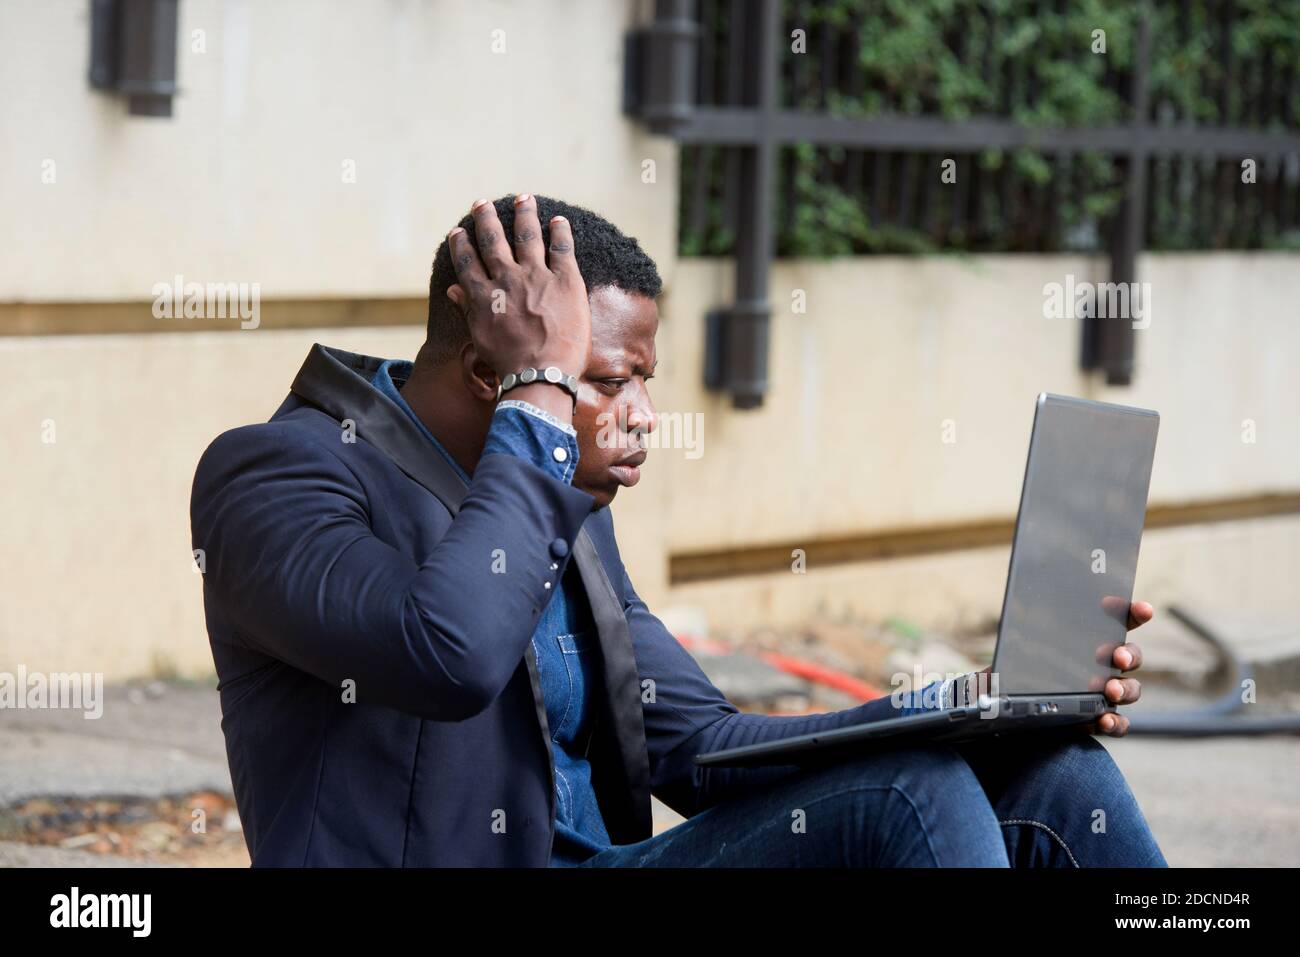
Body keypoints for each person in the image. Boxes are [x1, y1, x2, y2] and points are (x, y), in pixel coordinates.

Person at [190, 193, 1165, 867]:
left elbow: (699, 750)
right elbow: (445, 653)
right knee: (910, 798)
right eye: (608, 380)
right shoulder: (279, 474)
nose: (644, 415)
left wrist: (969, 706)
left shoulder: (556, 492)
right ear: (496, 371)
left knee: (1048, 774)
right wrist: (542, 400)